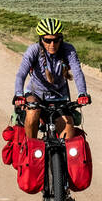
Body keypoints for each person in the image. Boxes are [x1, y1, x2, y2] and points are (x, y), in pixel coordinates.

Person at [13, 17, 91, 146]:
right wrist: (19, 94)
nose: (52, 44)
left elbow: (77, 72)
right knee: (32, 113)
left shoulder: (68, 50)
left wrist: (82, 93)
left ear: (61, 38)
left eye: (56, 40)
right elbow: (21, 73)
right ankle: (30, 148)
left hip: (59, 96)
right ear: (41, 39)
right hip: (36, 93)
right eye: (47, 40)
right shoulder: (34, 50)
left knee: (69, 133)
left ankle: (62, 163)